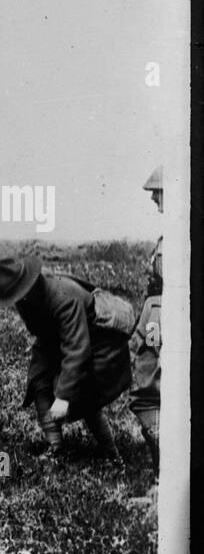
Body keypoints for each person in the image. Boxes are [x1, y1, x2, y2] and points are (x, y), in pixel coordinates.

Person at [0, 254, 131, 459]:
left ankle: (112, 455)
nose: (17, 301)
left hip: (98, 339)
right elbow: (44, 331)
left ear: (30, 284)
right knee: (38, 380)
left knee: (85, 396)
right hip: (56, 336)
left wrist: (64, 397)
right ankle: (56, 449)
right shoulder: (29, 299)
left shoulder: (64, 298)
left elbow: (77, 348)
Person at [128, 165, 162, 465]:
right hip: (159, 311)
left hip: (160, 315)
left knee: (148, 384)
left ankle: (163, 474)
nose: (153, 198)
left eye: (158, 193)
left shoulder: (175, 237)